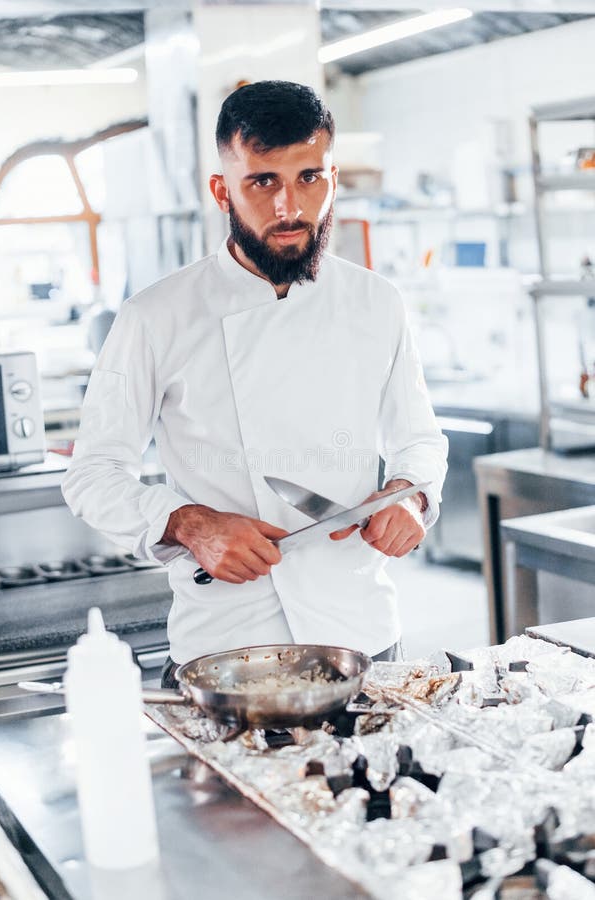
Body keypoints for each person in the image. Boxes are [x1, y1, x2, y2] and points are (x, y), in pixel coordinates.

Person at [62, 80, 447, 688]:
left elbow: (418, 440)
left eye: (309, 177)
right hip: (226, 646)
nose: (290, 207)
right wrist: (189, 523)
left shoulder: (377, 302)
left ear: (333, 178)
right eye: (263, 181)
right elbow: (92, 474)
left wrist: (409, 495)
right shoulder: (155, 317)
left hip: (363, 636)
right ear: (222, 190)